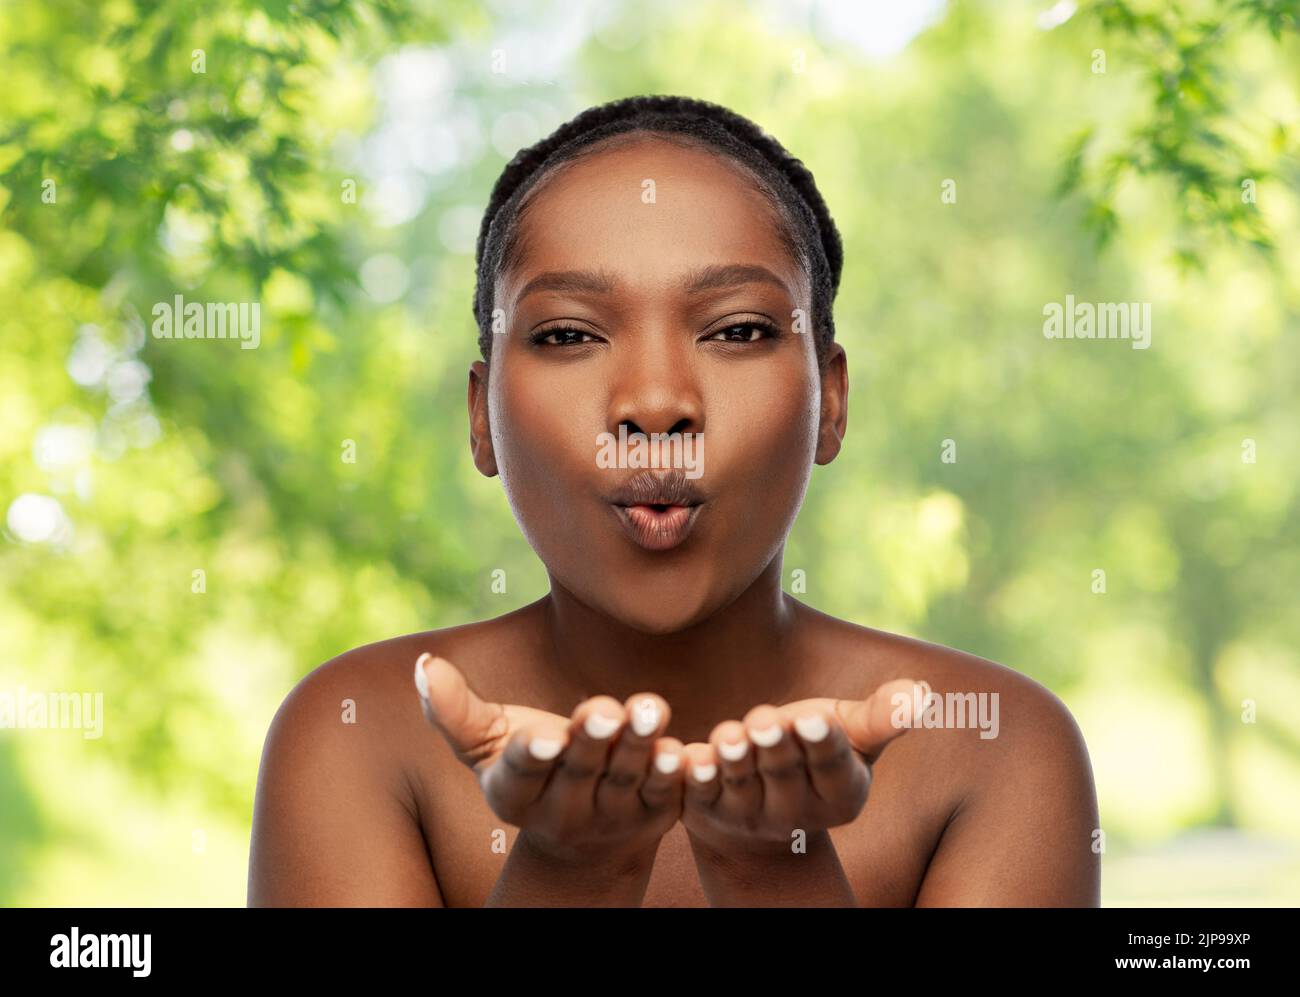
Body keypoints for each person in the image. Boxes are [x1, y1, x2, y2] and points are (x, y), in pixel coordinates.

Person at [247, 94, 1100, 907]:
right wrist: (570, 870)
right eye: (569, 334)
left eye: (738, 330)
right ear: (481, 418)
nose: (655, 403)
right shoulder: (359, 736)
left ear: (830, 403)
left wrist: (773, 865)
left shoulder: (995, 746)